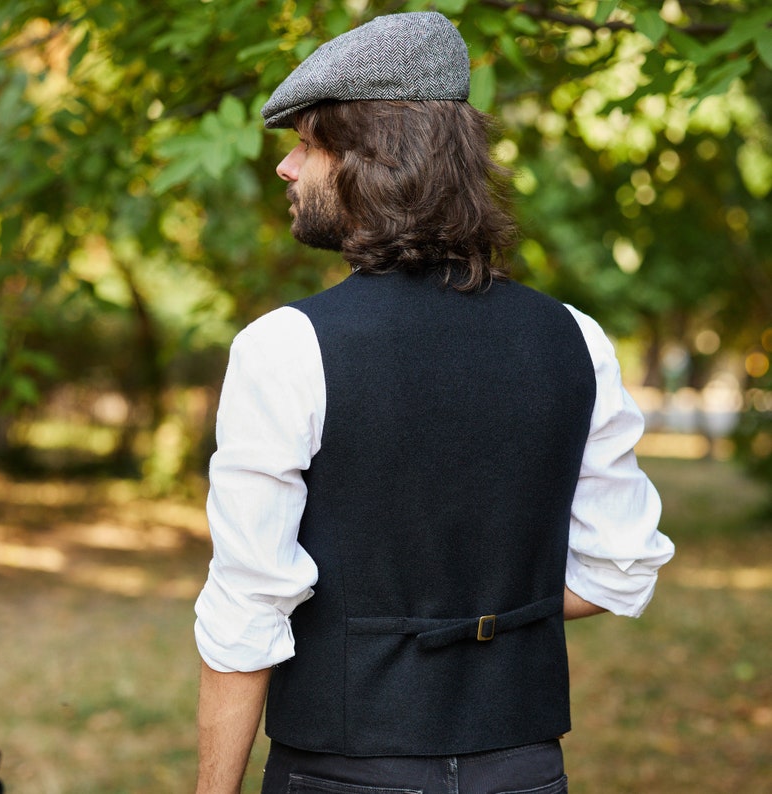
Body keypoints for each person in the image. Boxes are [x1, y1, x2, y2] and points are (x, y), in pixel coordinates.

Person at [194, 12, 675, 794]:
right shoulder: (575, 338)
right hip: (524, 772)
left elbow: (246, 614)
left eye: (309, 145)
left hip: (343, 776)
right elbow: (618, 570)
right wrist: (486, 612)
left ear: (372, 158)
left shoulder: (284, 347)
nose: (286, 166)